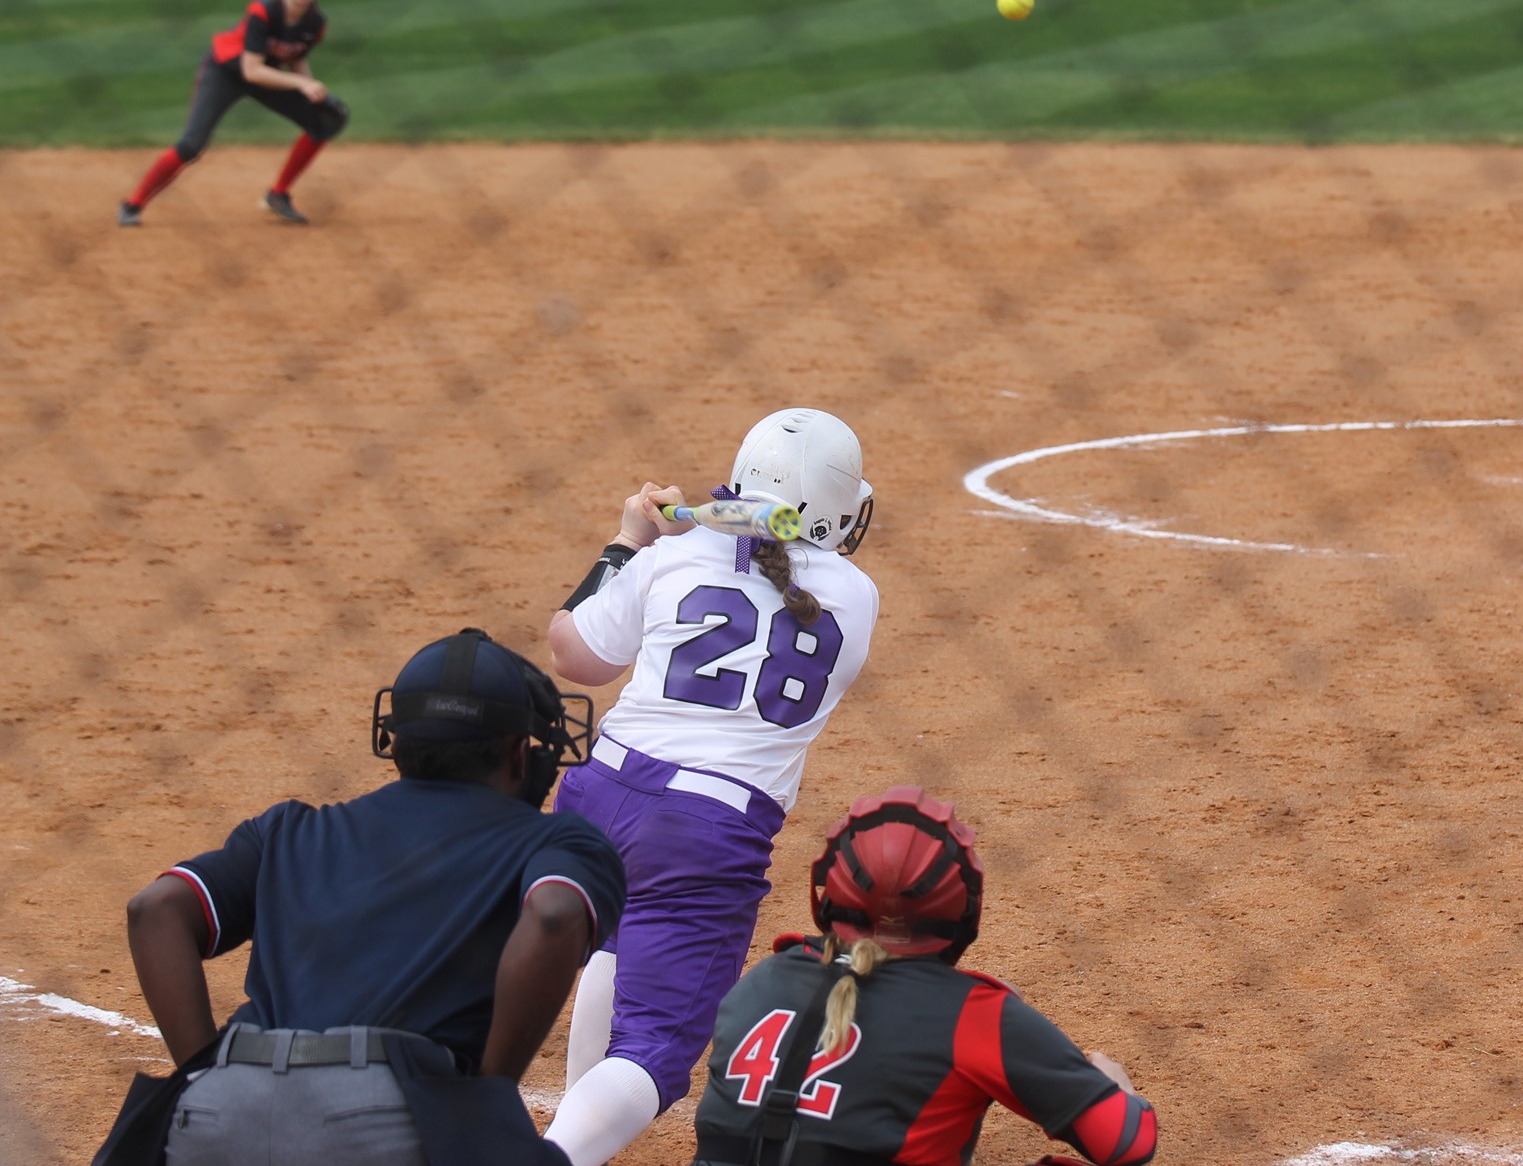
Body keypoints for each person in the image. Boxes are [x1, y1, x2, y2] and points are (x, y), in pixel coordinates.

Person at [92, 628, 626, 1166]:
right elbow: (554, 916)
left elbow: (155, 908)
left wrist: (202, 1072)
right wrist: (485, 1099)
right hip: (386, 1115)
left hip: (221, 1106)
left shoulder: (289, 831)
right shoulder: (551, 841)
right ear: (518, 754)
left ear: (393, 741)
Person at [543, 407, 881, 1166]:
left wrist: (629, 542)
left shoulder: (674, 554)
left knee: (615, 932)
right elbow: (777, 575)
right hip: (704, 829)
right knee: (656, 1051)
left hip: (597, 794)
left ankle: (574, 1127)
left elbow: (574, 655)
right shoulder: (857, 599)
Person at [689, 786, 1159, 1166]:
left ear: (828, 891)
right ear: (963, 906)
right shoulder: (974, 1015)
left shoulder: (762, 979)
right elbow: (1126, 1143)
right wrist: (1115, 1084)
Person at [118, 0, 348, 228]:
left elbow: (295, 56)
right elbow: (251, 70)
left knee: (324, 119)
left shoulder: (315, 23)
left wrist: (311, 90)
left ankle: (278, 194)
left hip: (267, 77)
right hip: (225, 72)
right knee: (192, 145)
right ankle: (133, 203)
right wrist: (302, 84)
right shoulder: (263, 10)